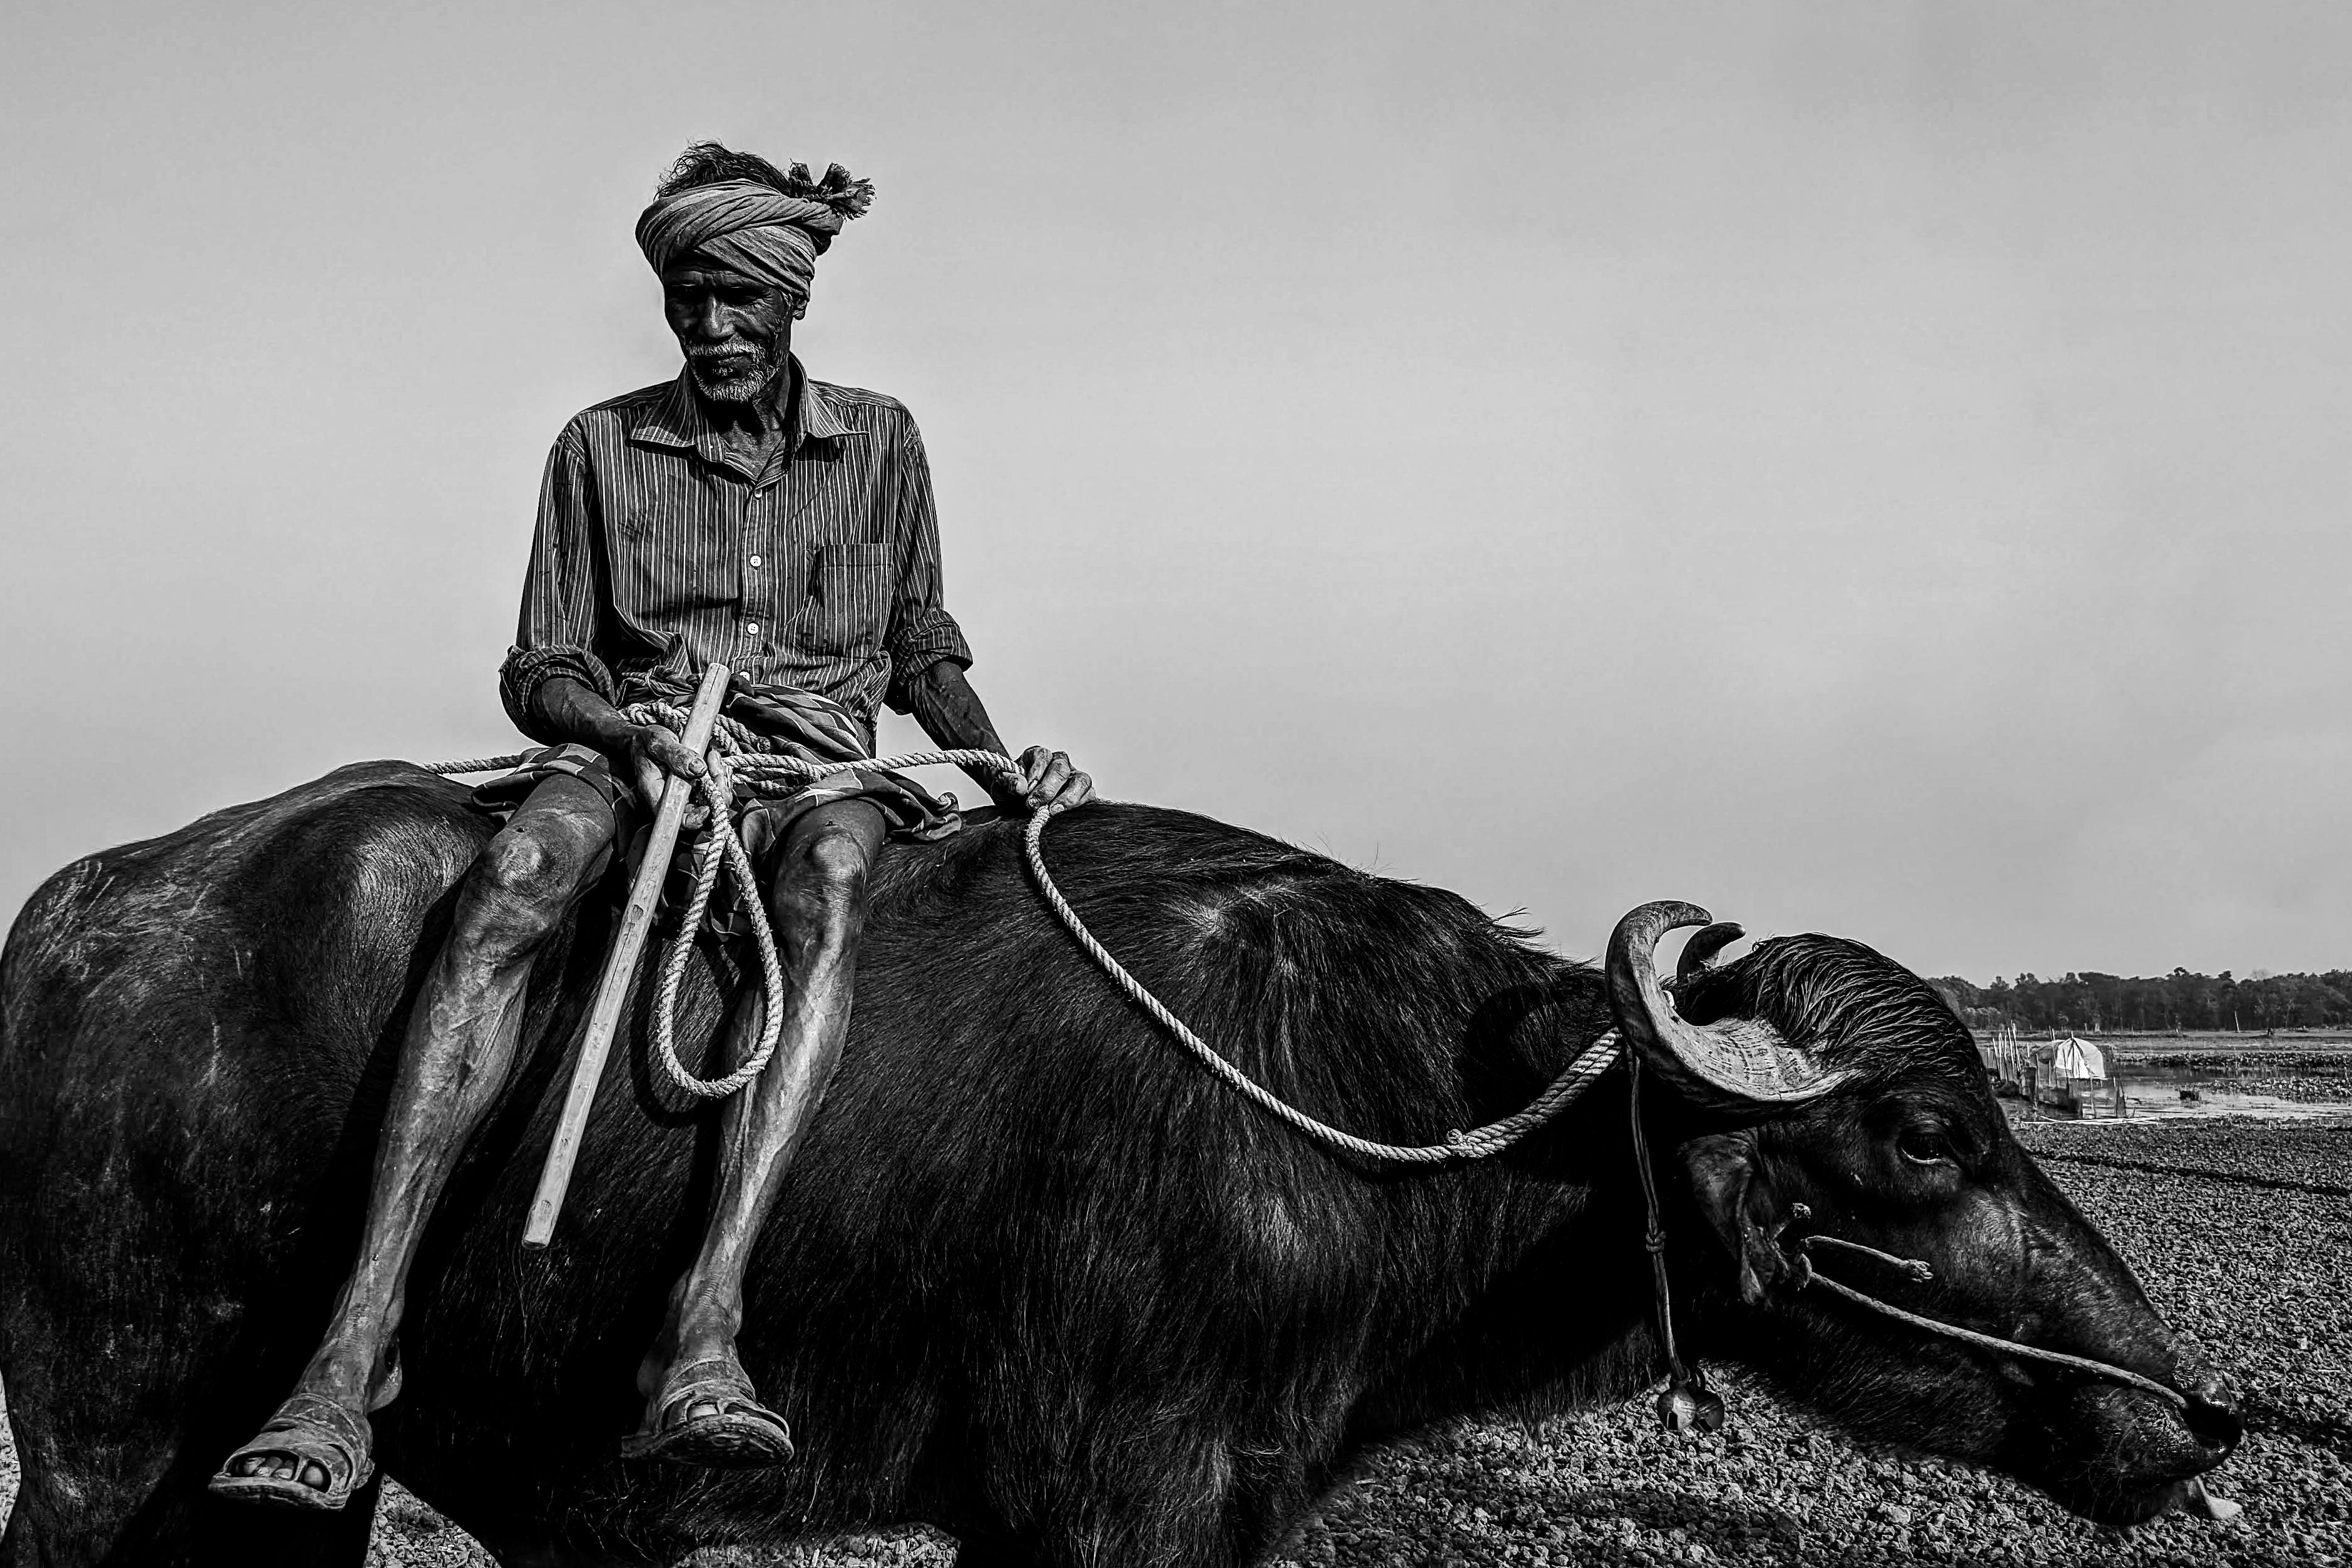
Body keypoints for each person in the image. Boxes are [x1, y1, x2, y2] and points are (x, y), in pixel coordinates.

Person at [211, 143, 1093, 1510]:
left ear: (791, 304)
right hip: (632, 749)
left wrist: (996, 762)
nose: (709, 328)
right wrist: (632, 731)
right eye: (688, 299)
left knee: (837, 881)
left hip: (812, 771)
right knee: (511, 876)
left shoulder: (885, 441)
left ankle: (705, 1327)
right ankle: (348, 1351)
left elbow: (918, 648)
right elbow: (541, 668)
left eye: (737, 301)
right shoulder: (598, 446)